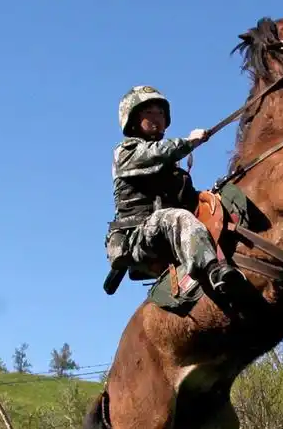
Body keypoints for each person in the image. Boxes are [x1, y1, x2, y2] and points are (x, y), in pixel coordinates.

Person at [105, 86, 247, 305]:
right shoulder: (125, 152)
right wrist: (189, 142)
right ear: (132, 119)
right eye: (149, 112)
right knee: (176, 217)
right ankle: (214, 271)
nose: (157, 118)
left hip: (167, 231)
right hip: (138, 237)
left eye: (161, 113)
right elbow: (156, 154)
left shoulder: (170, 168)